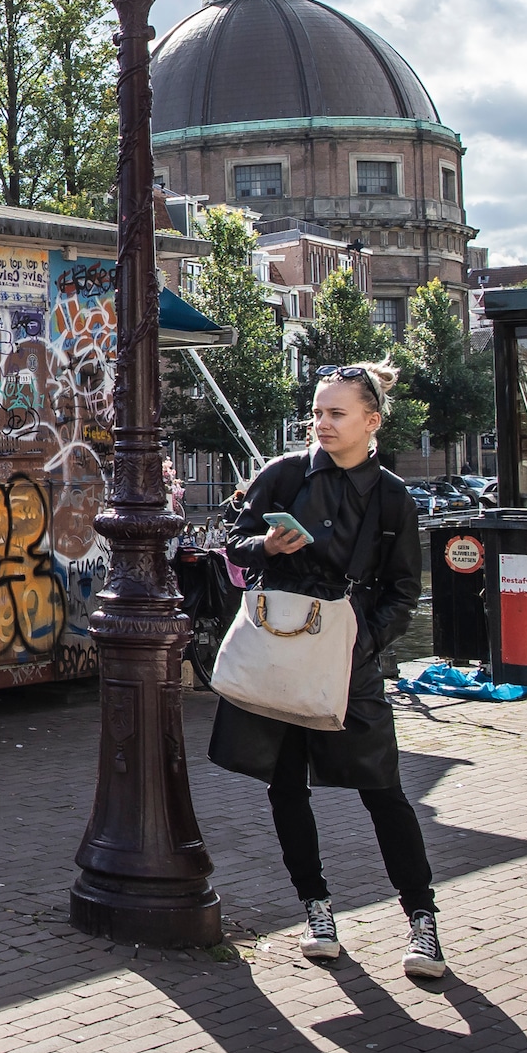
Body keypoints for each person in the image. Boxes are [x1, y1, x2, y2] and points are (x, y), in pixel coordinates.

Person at [209, 359, 445, 981]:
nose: (322, 424)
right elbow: (231, 544)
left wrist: (360, 641)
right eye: (316, 412)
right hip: (279, 648)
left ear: (372, 422)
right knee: (285, 785)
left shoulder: (393, 497)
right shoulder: (282, 475)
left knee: (382, 789)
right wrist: (265, 546)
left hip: (347, 659)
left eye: (336, 413)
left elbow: (403, 587)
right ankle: (316, 910)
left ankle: (422, 921)